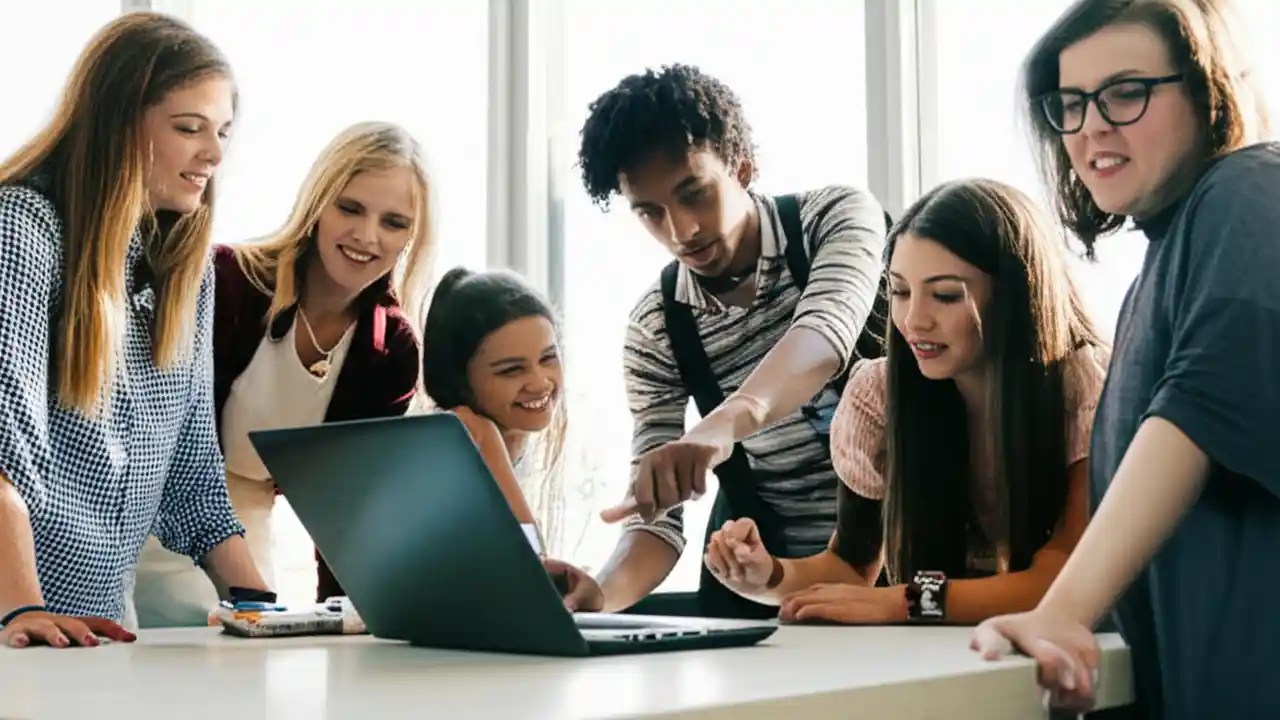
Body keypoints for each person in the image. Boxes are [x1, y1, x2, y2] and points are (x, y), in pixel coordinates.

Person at [970, 1, 1277, 716]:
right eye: (1070, 104)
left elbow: (1200, 408)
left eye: (1126, 92)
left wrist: (1062, 610)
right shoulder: (1155, 273)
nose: (1091, 127)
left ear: (1209, 89)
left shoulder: (1250, 187)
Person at [553, 64, 888, 618]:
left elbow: (823, 339)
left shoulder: (835, 218)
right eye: (650, 212)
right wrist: (600, 596)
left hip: (909, 567)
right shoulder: (657, 328)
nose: (681, 229)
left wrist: (719, 428)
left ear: (743, 167)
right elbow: (656, 519)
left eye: (694, 193)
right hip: (773, 591)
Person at [704, 178, 1107, 626]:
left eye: (946, 295)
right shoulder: (879, 395)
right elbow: (851, 567)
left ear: (1017, 295)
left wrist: (906, 602)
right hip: (957, 660)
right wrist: (766, 575)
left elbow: (1060, 579)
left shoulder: (1082, 389)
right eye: (898, 291)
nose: (914, 320)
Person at [0, 12, 272, 649]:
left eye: (223, 133)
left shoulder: (187, 271)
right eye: (189, 128)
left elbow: (192, 471)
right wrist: (19, 611)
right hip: (18, 625)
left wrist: (266, 611)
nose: (213, 153)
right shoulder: (21, 229)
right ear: (120, 123)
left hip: (100, 634)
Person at [130, 122, 435, 624]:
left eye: (394, 222)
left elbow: (345, 507)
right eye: (350, 208)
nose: (366, 236)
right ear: (318, 202)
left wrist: (348, 619)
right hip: (144, 530)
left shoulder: (390, 348)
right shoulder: (228, 280)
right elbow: (162, 436)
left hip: (245, 544)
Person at [418, 267, 566, 555]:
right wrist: (487, 444)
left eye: (548, 358)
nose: (539, 382)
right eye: (512, 370)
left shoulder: (521, 443)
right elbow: (532, 566)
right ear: (459, 381)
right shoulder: (454, 451)